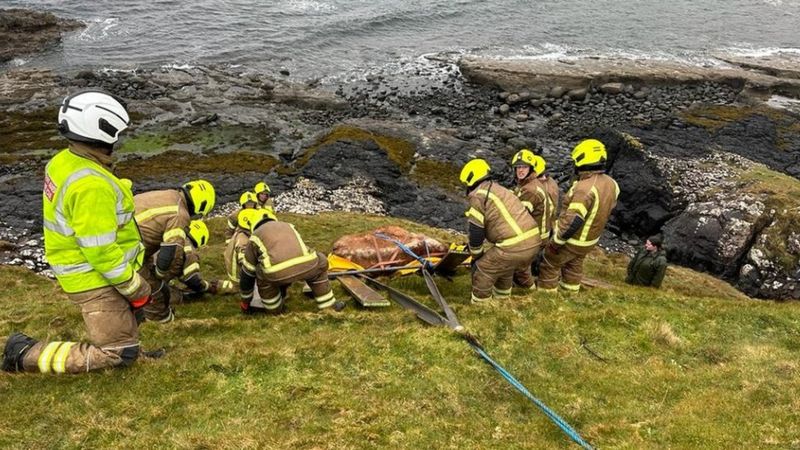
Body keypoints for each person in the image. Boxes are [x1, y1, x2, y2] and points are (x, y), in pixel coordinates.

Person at [3, 90, 155, 374]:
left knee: (127, 325)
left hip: (78, 264)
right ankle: (24, 354)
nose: (118, 140)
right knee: (118, 355)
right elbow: (101, 251)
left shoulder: (64, 160)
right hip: (92, 276)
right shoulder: (91, 185)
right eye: (116, 133)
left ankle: (126, 338)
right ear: (103, 131)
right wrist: (136, 287)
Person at [538, 139, 619, 292]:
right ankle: (570, 293)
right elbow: (610, 206)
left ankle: (545, 297)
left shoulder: (584, 189)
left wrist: (556, 243)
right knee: (574, 265)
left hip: (574, 240)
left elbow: (573, 221)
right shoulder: (611, 183)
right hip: (590, 240)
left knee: (549, 264)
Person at [459, 158, 541, 303]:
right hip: (534, 241)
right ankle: (502, 300)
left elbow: (476, 232)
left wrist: (476, 256)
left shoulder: (478, 196)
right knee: (504, 268)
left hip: (514, 246)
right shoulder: (500, 189)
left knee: (483, 268)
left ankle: (481, 306)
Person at [134, 179, 216, 322]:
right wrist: (159, 274)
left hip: (125, 242)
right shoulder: (180, 215)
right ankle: (161, 321)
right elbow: (170, 250)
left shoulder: (169, 195)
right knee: (155, 291)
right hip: (130, 250)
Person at [238, 209, 345, 314]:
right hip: (307, 266)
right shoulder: (289, 226)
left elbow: (247, 274)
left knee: (259, 271)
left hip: (276, 274)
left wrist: (245, 301)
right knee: (320, 261)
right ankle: (328, 305)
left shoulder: (254, 237)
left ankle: (274, 309)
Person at [510, 149, 561, 282]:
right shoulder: (550, 184)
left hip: (534, 236)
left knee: (521, 267)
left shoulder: (531, 190)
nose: (520, 170)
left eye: (524, 167)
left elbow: (518, 217)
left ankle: (526, 285)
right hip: (546, 232)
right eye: (518, 167)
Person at [174, 220, 236, 298]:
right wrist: (208, 287)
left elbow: (179, 271)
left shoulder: (175, 237)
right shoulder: (190, 252)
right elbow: (192, 279)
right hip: (156, 280)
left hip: (157, 270)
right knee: (174, 296)